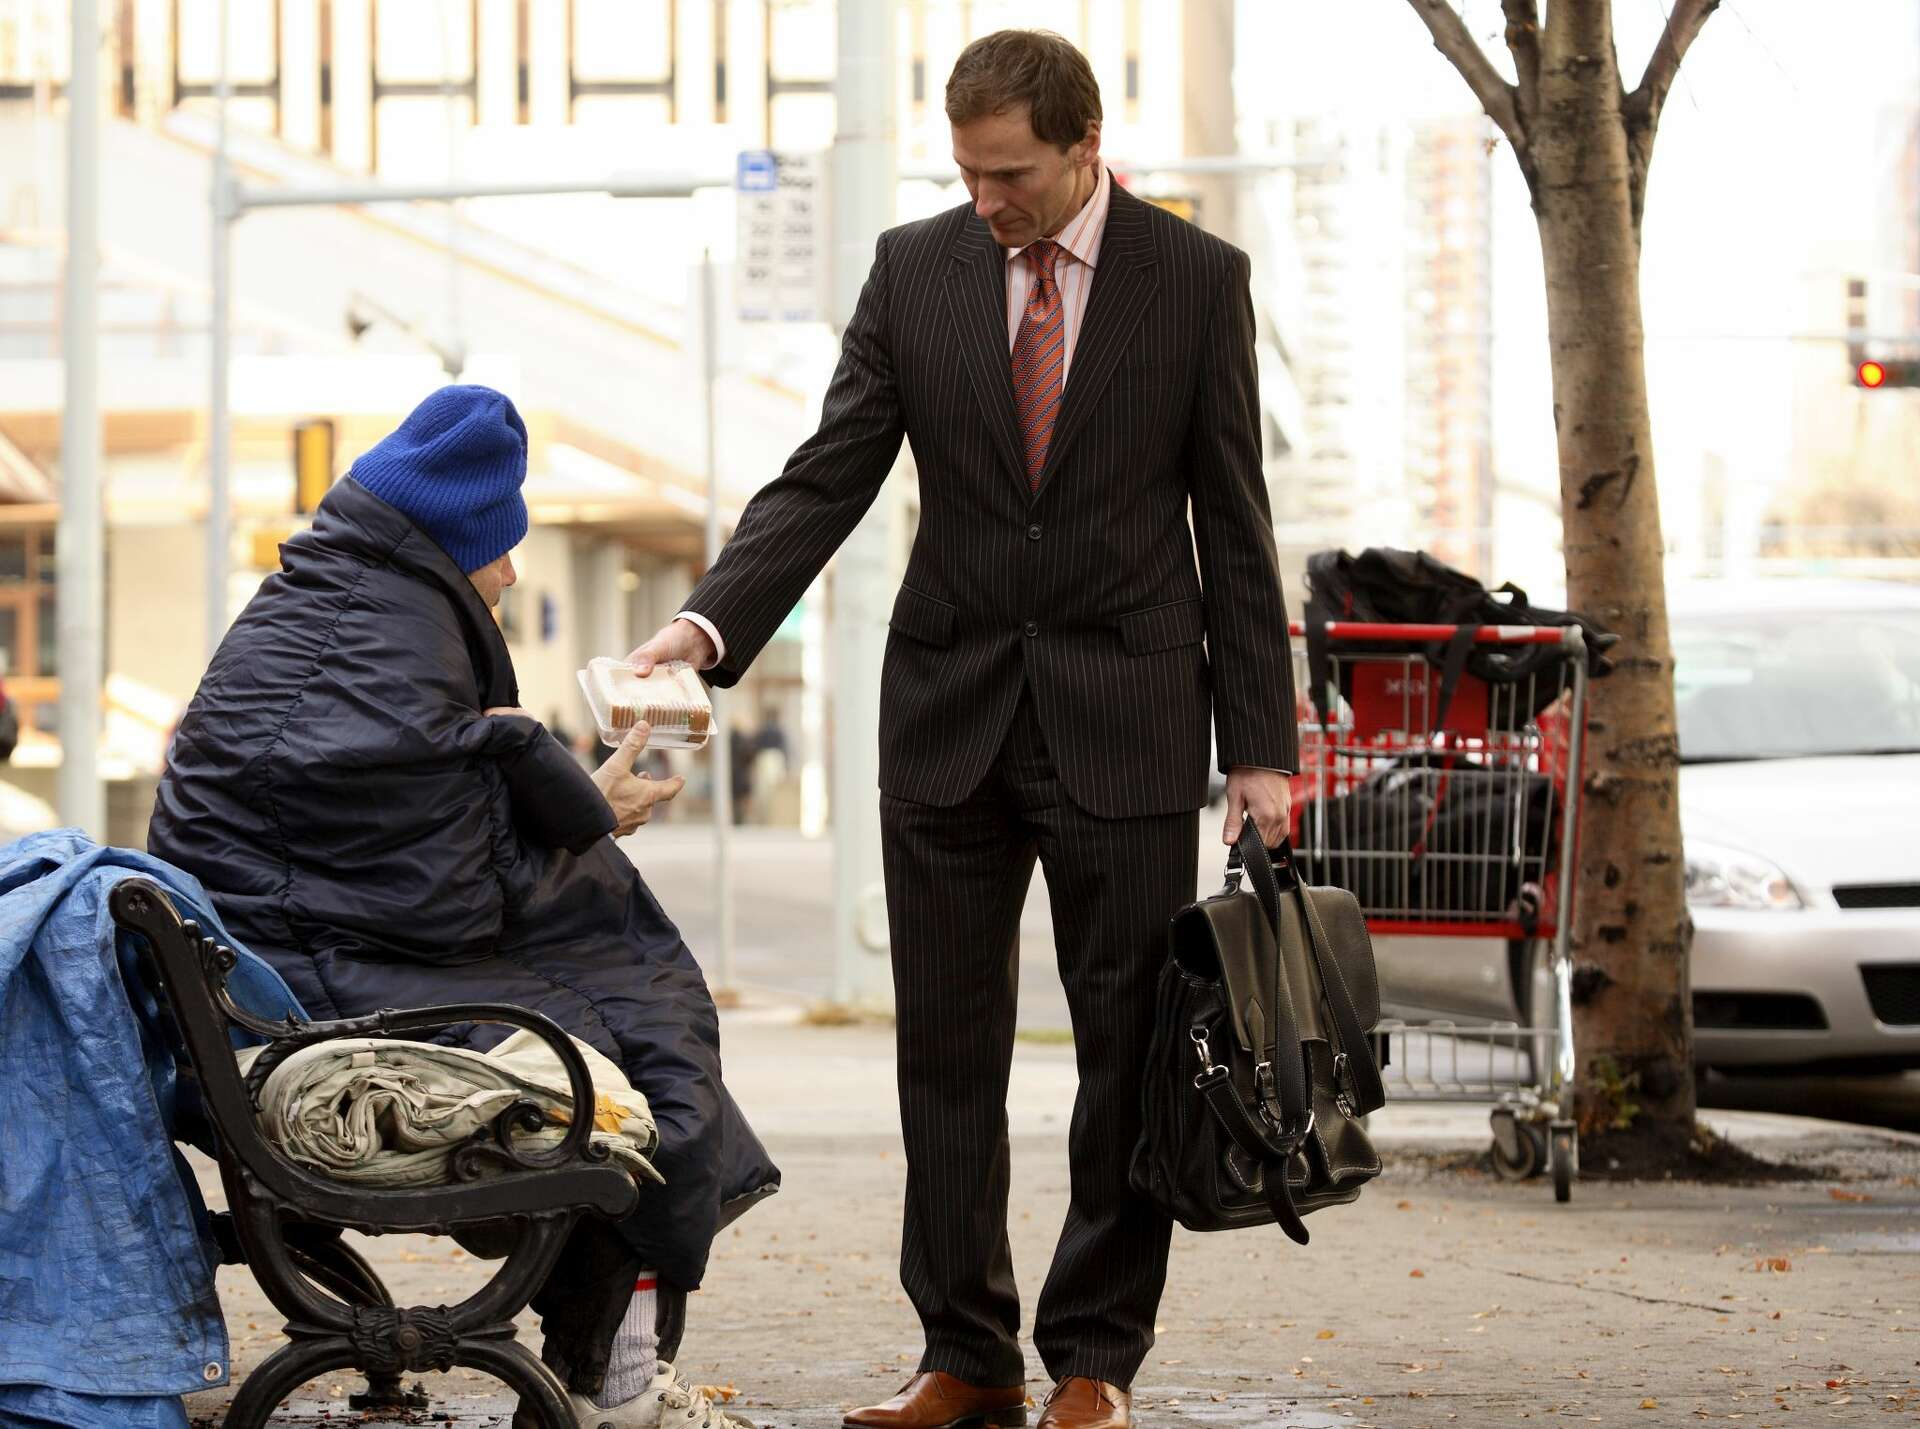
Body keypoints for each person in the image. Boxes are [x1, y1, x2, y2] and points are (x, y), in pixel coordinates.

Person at [628, 30, 1298, 1429]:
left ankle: (1095, 1361)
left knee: (1125, 1050)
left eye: (1010, 176)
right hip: (948, 712)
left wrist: (1262, 749)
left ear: (1081, 150)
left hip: (1124, 713)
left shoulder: (1193, 283)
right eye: (969, 173)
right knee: (942, 1051)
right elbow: (828, 478)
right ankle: (967, 1352)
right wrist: (704, 630)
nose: (987, 201)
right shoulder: (914, 268)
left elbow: (1235, 527)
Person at [149, 385, 776, 1429]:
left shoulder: (326, 609)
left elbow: (403, 834)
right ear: (453, 543)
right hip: (312, 992)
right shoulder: (395, 640)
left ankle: (610, 1369)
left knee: (634, 1031)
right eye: (498, 548)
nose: (512, 572)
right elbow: (444, 903)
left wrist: (569, 805)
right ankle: (614, 1380)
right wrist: (589, 817)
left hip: (267, 975)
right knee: (636, 1065)